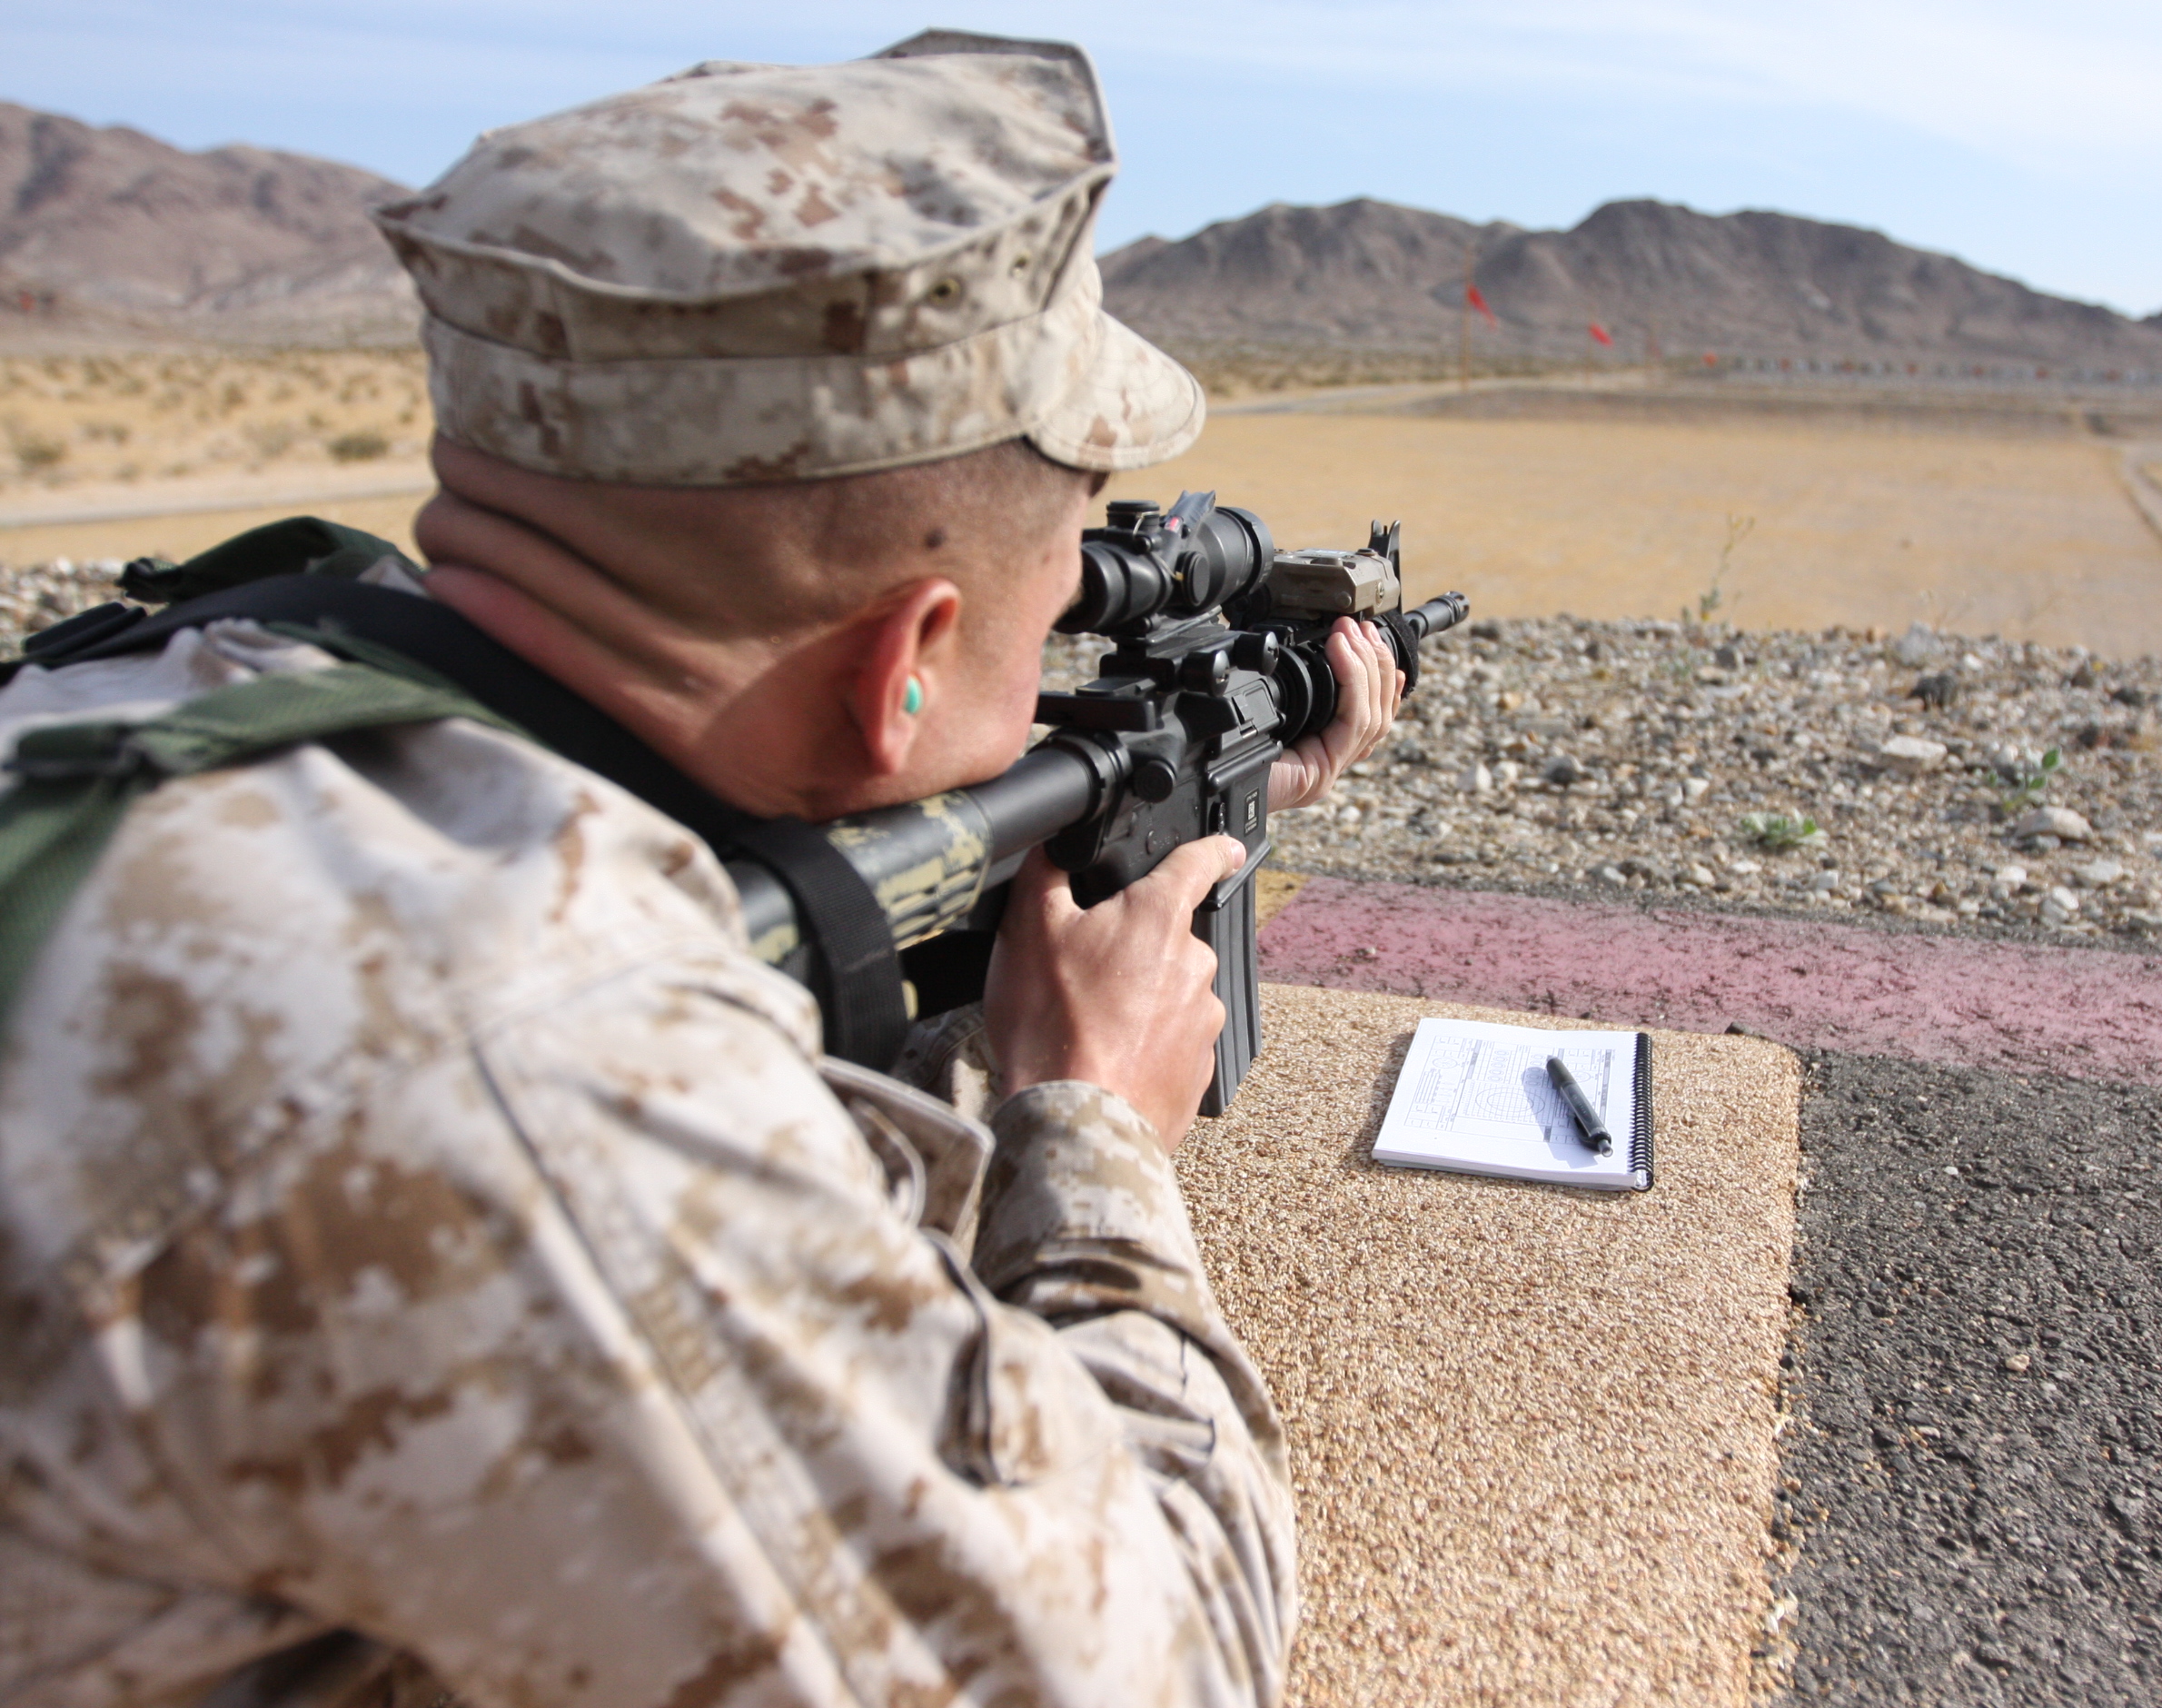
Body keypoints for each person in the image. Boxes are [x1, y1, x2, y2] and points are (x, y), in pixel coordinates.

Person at [0, 33, 1403, 1708]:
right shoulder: (529, 1048)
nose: (1070, 633)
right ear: (908, 656)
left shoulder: (159, 679)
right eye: (1065, 581)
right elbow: (1147, 1665)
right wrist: (1093, 1127)